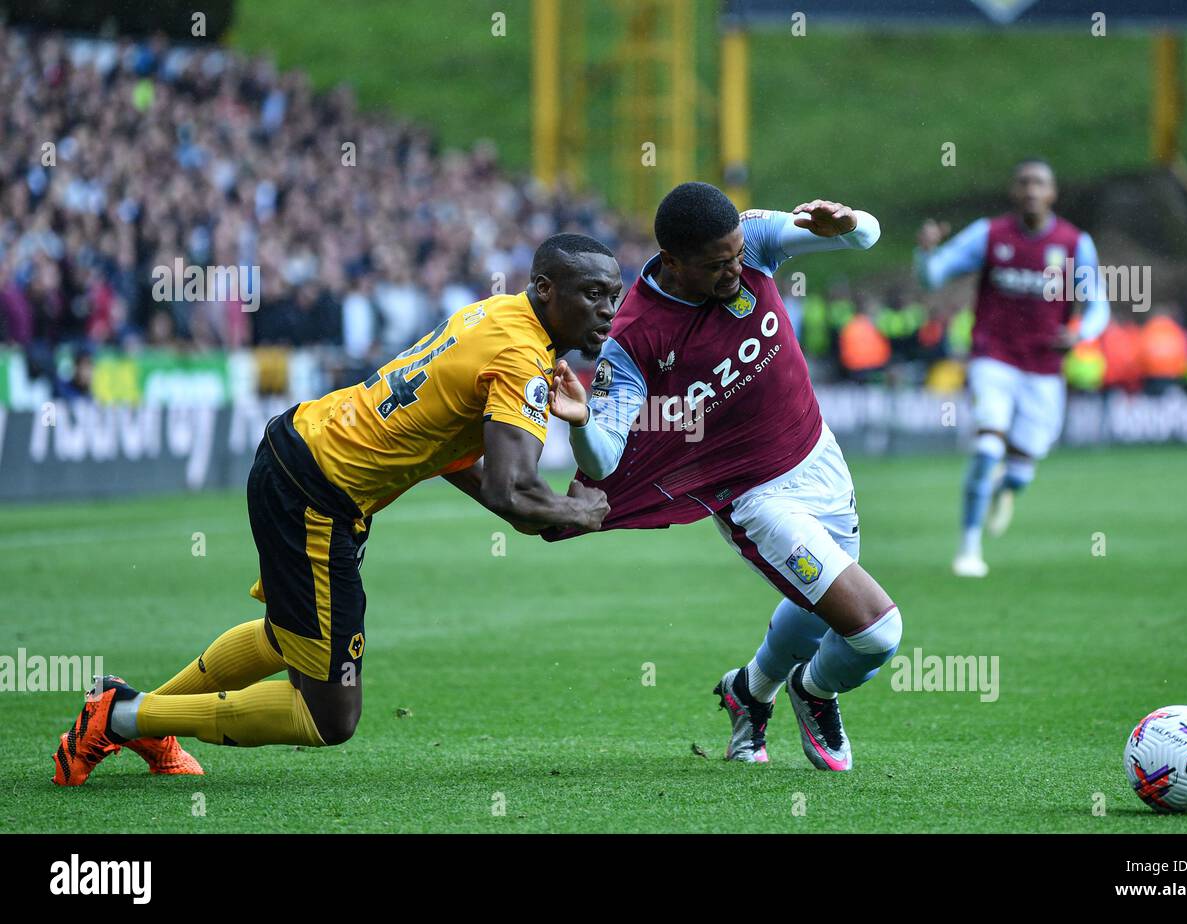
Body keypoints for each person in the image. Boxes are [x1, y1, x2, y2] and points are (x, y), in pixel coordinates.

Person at [51, 234, 615, 785]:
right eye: (593, 294)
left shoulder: (495, 314)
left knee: (287, 636)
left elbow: (466, 464)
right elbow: (510, 489)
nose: (608, 310)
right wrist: (579, 511)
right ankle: (124, 715)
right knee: (327, 715)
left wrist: (542, 512)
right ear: (545, 289)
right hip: (318, 491)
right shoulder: (521, 356)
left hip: (301, 447)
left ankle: (140, 720)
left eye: (614, 294)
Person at [544, 182, 897, 772]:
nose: (736, 269)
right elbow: (603, 461)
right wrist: (580, 423)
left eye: (737, 255)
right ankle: (814, 690)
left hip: (817, 452)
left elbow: (868, 235)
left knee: (815, 608)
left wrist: (850, 221)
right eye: (718, 264)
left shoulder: (750, 238)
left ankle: (749, 692)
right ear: (674, 263)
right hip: (753, 495)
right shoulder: (635, 337)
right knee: (876, 633)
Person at [915, 159, 1110, 578]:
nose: (1031, 190)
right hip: (993, 358)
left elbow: (1098, 304)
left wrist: (1082, 334)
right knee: (987, 449)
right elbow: (933, 277)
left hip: (1044, 368)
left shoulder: (1075, 243)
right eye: (1023, 182)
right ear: (1013, 191)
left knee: (1022, 471)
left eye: (1040, 182)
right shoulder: (990, 234)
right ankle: (969, 547)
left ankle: (1007, 487)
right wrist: (925, 251)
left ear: (1052, 193)